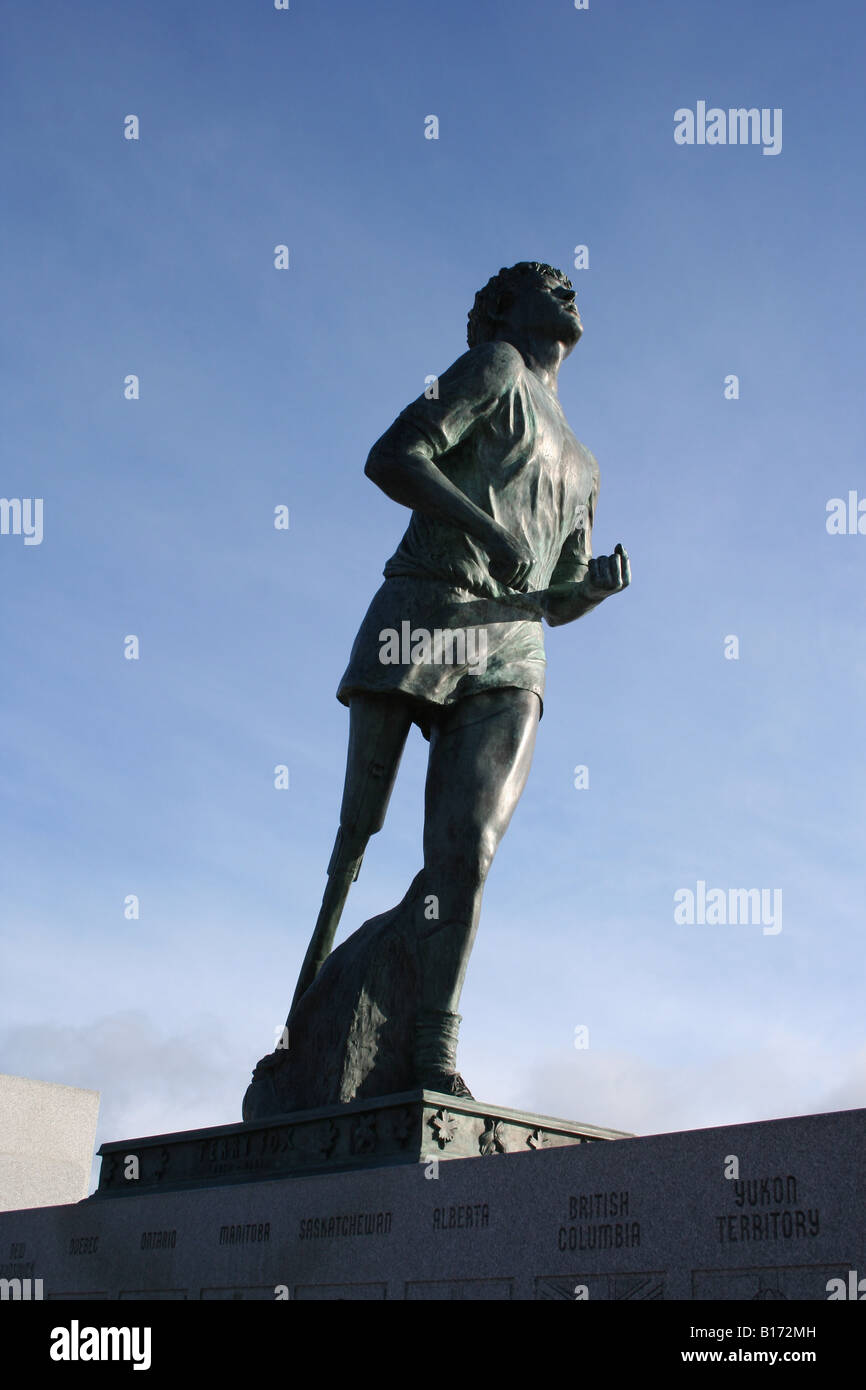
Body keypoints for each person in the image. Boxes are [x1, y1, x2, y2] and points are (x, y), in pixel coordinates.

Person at [292, 261, 630, 1097]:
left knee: (466, 849)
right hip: (428, 607)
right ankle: (298, 1033)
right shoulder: (494, 370)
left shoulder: (585, 465)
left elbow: (553, 599)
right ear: (504, 311)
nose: (567, 292)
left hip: (511, 644)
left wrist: (589, 591)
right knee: (354, 838)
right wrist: (482, 525)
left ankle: (432, 1050)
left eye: (569, 285)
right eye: (545, 285)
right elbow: (392, 457)